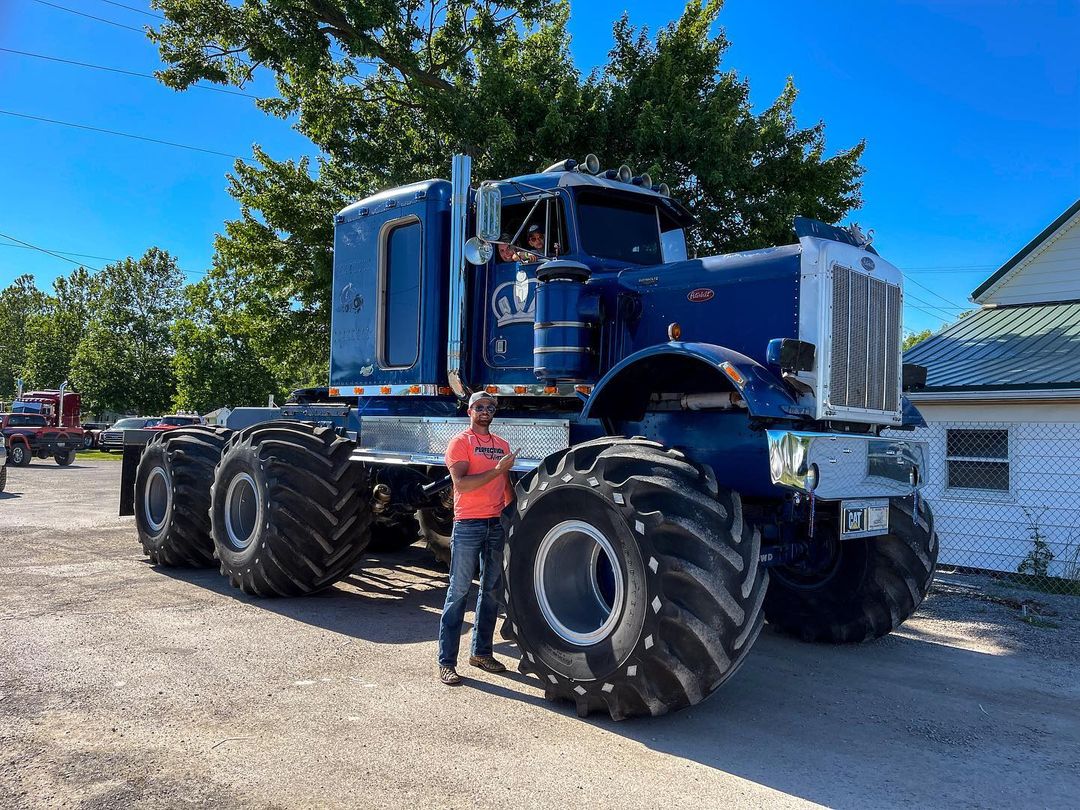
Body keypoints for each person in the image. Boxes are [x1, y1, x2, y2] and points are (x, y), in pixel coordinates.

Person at [437, 391, 518, 685]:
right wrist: (497, 469)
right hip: (469, 524)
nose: (486, 410)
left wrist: (512, 517)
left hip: (495, 524)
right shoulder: (461, 442)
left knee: (491, 590)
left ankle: (481, 653)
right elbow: (461, 483)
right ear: (469, 410)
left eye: (490, 407)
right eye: (480, 406)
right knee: (458, 592)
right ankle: (447, 662)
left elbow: (505, 484)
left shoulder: (501, 445)